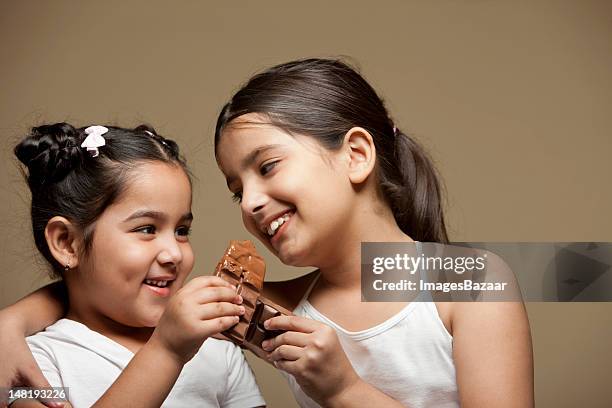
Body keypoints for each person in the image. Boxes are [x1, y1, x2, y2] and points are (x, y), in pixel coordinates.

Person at [1, 58, 534, 407]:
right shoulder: (266, 312)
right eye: (236, 189)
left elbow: (583, 269)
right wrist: (12, 321)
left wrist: (346, 390)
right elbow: (114, 288)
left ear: (355, 155)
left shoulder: (469, 279)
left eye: (268, 166)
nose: (251, 202)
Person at [2, 123, 264, 408]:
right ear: (67, 243)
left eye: (181, 231)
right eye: (147, 229)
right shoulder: (27, 363)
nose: (174, 253)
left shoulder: (216, 351)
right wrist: (166, 352)